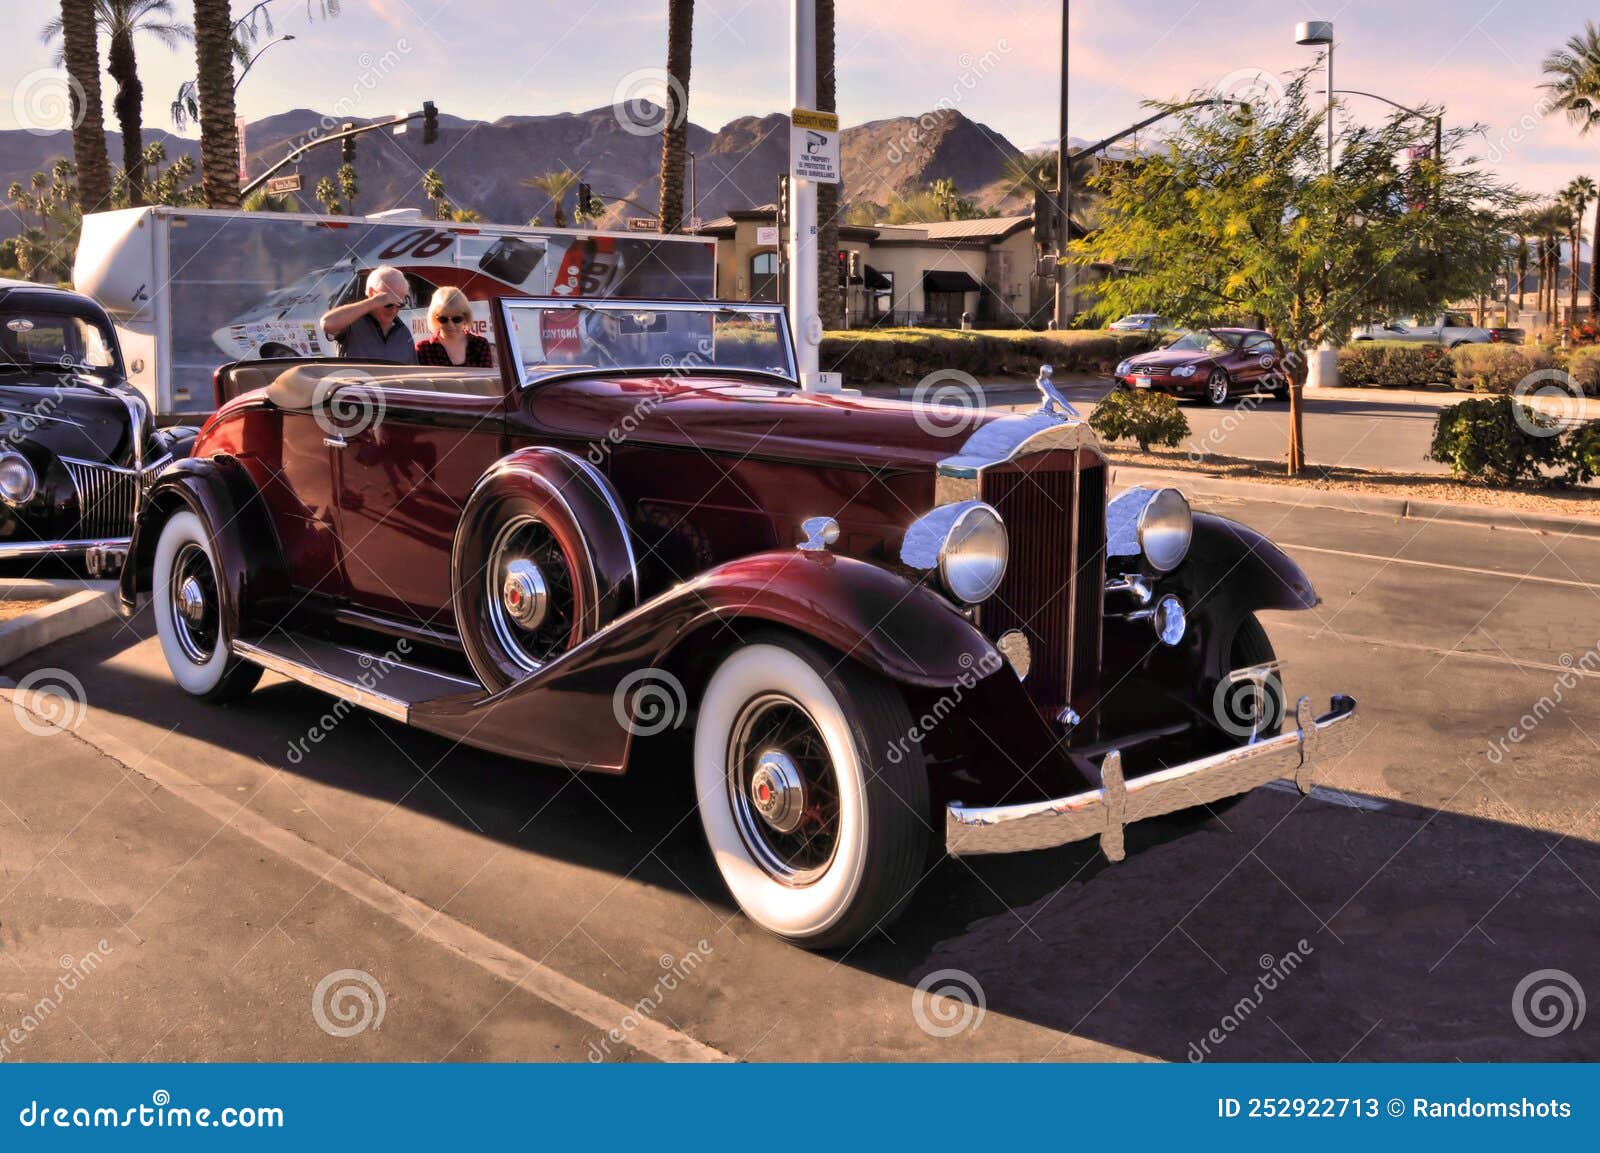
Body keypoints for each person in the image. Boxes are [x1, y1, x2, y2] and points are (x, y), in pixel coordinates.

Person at [319, 266, 418, 364]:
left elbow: (413, 373)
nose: (394, 310)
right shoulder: (352, 322)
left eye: (400, 304)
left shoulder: (403, 332)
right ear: (371, 293)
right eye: (388, 304)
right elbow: (327, 324)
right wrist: (372, 302)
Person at [414, 287, 493, 367]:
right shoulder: (423, 349)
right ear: (434, 318)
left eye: (456, 319)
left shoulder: (480, 344)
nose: (450, 324)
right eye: (443, 319)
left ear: (466, 317)